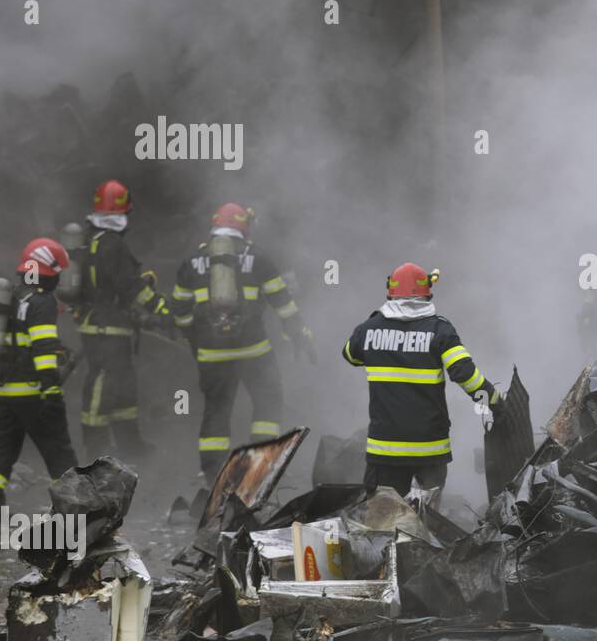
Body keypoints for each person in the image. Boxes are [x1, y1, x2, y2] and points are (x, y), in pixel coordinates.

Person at [171, 203, 314, 479]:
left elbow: (180, 312)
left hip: (211, 354)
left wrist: (196, 341)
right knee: (268, 402)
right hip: (254, 351)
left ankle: (214, 476)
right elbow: (283, 305)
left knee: (216, 410)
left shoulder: (191, 262)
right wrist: (299, 334)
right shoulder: (258, 258)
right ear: (243, 227)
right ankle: (258, 469)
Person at [342, 262, 501, 508]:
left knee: (384, 521)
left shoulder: (369, 329)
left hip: (386, 452)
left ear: (390, 292)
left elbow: (350, 355)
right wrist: (493, 400)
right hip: (430, 450)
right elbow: (465, 374)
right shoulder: (440, 330)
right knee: (425, 520)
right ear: (427, 294)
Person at [74, 179, 170, 460]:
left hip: (101, 324)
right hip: (109, 328)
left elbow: (109, 282)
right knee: (103, 383)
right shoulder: (114, 245)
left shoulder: (91, 241)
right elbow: (129, 288)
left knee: (123, 383)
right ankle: (95, 448)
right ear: (122, 214)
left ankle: (130, 445)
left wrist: (140, 283)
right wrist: (160, 306)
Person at [0, 238, 77, 514]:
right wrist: (52, 392)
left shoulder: (9, 297)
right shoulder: (42, 301)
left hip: (2, 394)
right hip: (33, 394)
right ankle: (75, 514)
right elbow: (43, 350)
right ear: (50, 271)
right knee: (59, 453)